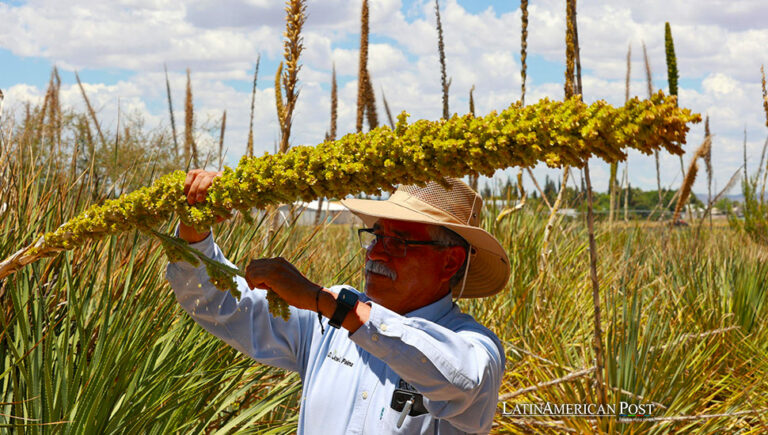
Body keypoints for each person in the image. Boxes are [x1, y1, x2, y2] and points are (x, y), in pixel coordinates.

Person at [166, 170, 511, 434]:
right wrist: (194, 231)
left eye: (398, 242)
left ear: (450, 261)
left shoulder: (477, 348)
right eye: (376, 236)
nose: (375, 253)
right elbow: (221, 304)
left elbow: (460, 379)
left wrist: (324, 302)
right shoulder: (326, 319)